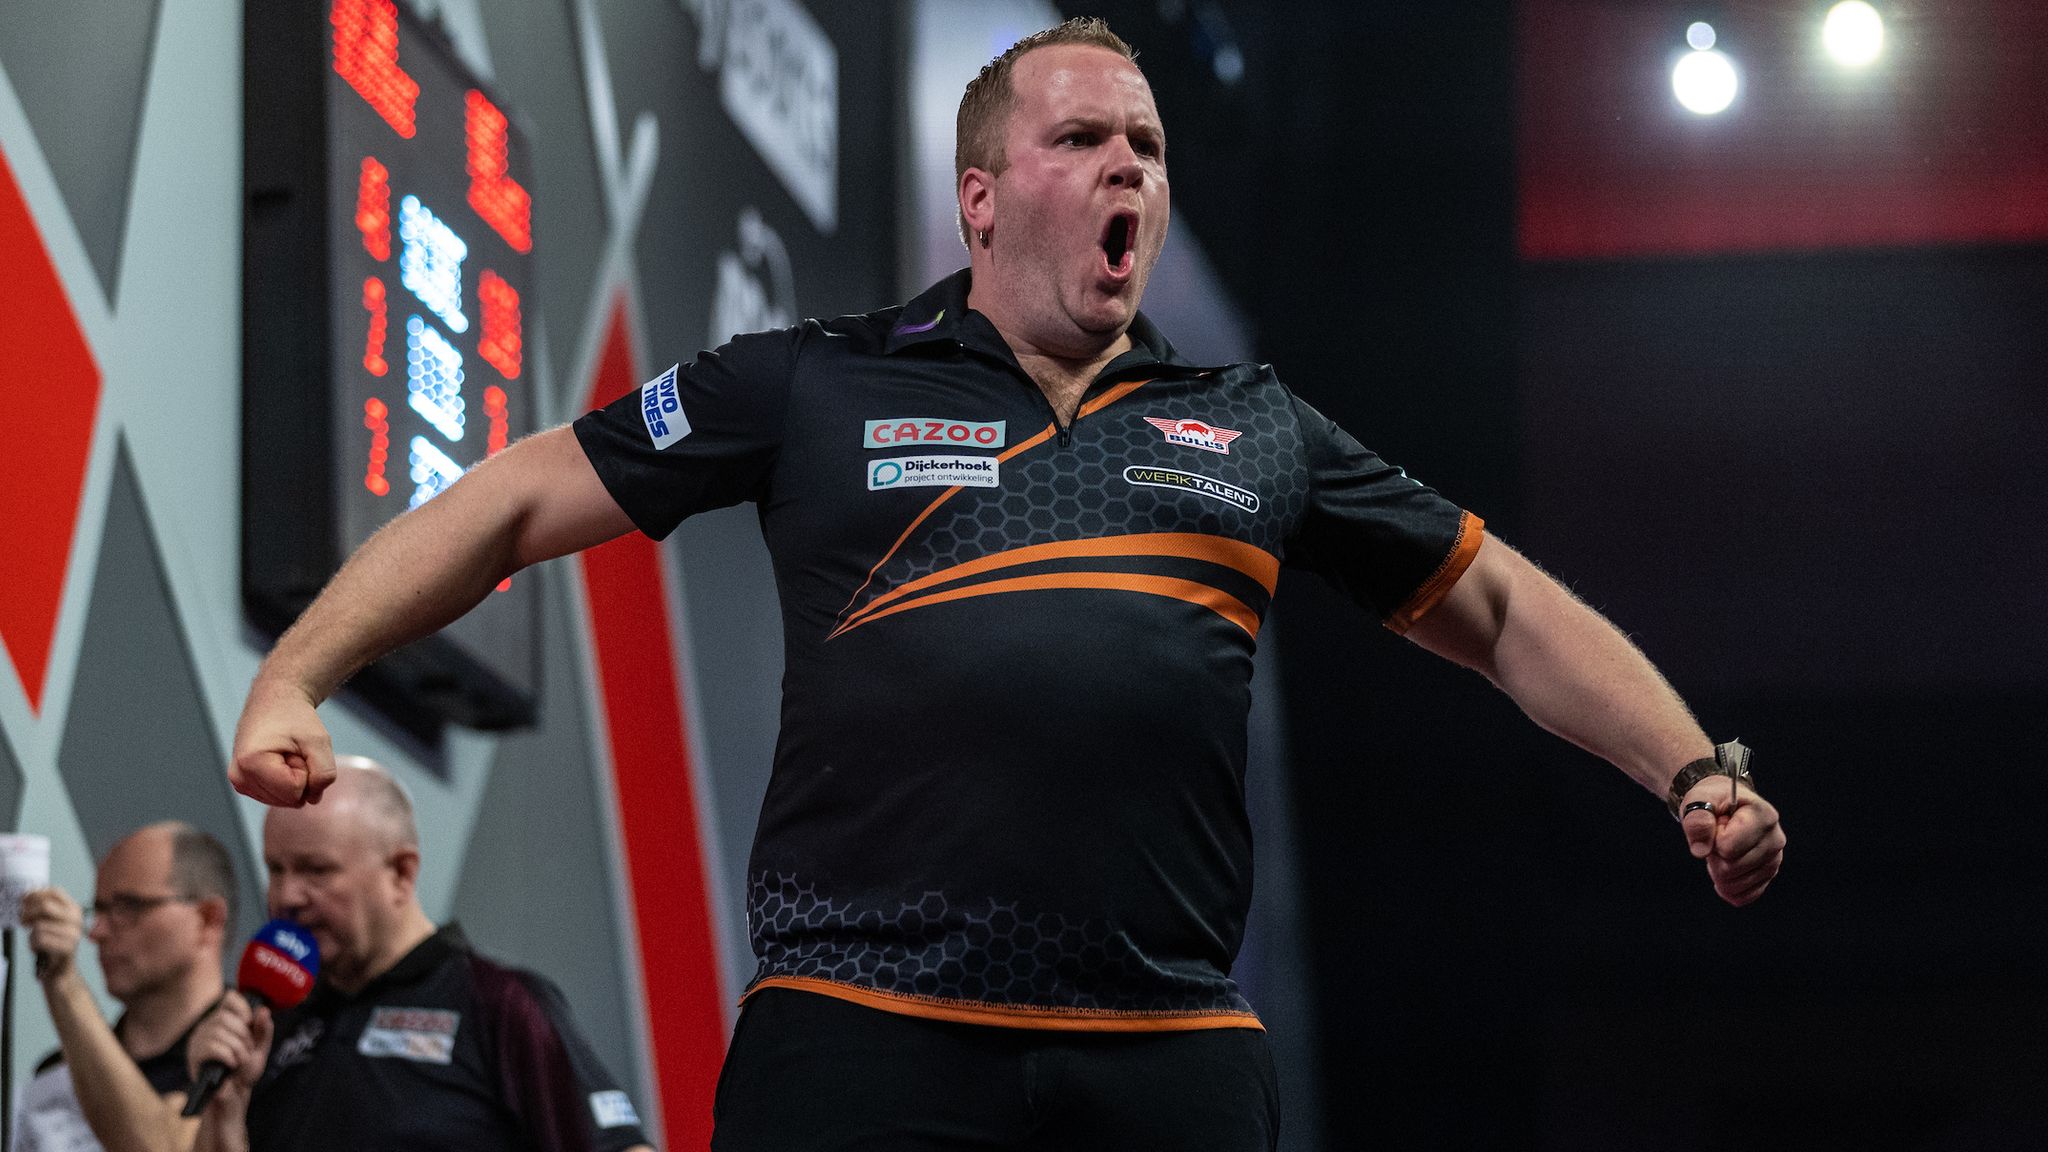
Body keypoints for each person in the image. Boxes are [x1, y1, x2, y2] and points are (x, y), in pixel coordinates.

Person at [223, 17, 1786, 1150]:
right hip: (860, 1040)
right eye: (1083, 139)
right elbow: (514, 498)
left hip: (1168, 1057)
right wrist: (299, 672)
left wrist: (1690, 767)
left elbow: (1499, 610)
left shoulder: (1255, 426)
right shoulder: (812, 383)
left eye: (1149, 146)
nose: (1130, 167)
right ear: (979, 197)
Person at [185, 757, 653, 1152]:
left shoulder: (497, 1005)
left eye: (316, 870)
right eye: (276, 869)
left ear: (401, 873)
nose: (287, 896)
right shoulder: (271, 1027)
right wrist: (227, 1110)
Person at [15, 823, 235, 1152]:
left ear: (207, 919)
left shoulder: (253, 1058)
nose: (97, 932)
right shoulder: (58, 1074)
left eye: (128, 908)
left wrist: (64, 982)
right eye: (98, 910)